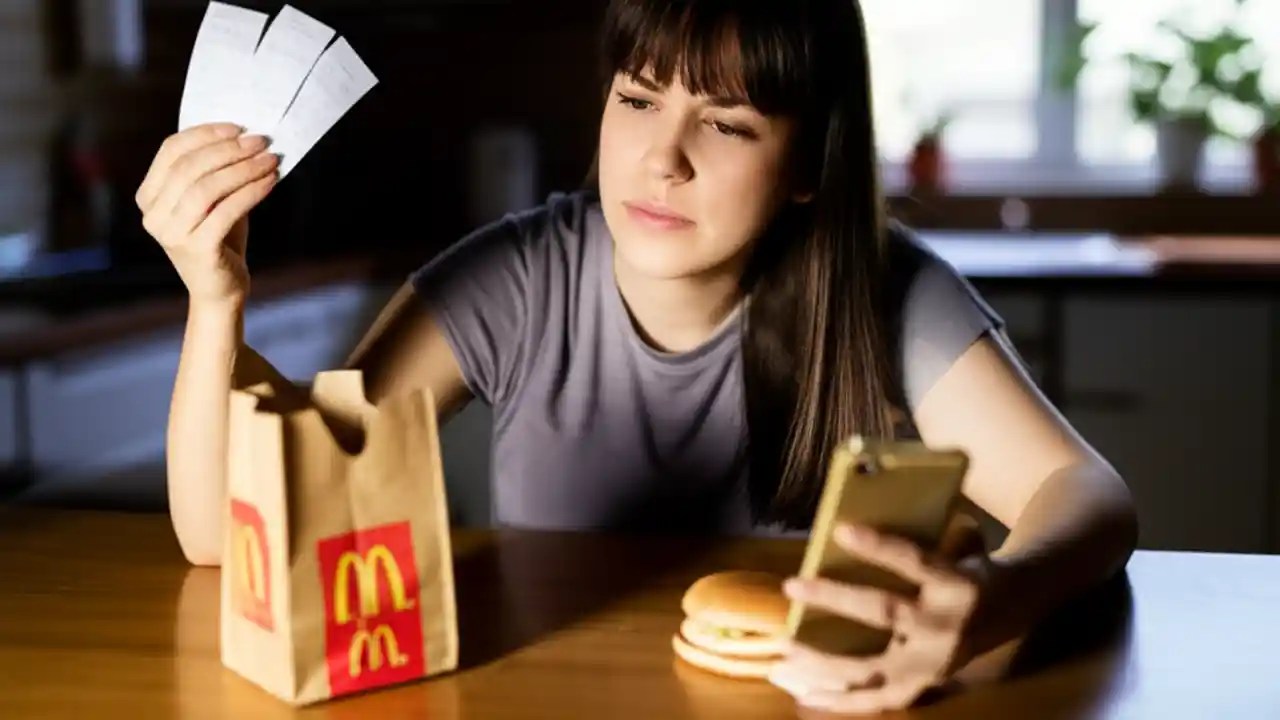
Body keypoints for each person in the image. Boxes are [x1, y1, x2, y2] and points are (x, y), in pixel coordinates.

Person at [135, 0, 1137, 713]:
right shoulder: (514, 275)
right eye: (639, 99)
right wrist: (215, 298)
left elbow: (1086, 496)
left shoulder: (881, 288)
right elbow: (229, 538)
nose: (664, 156)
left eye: (729, 121)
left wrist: (993, 603)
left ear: (806, 164)